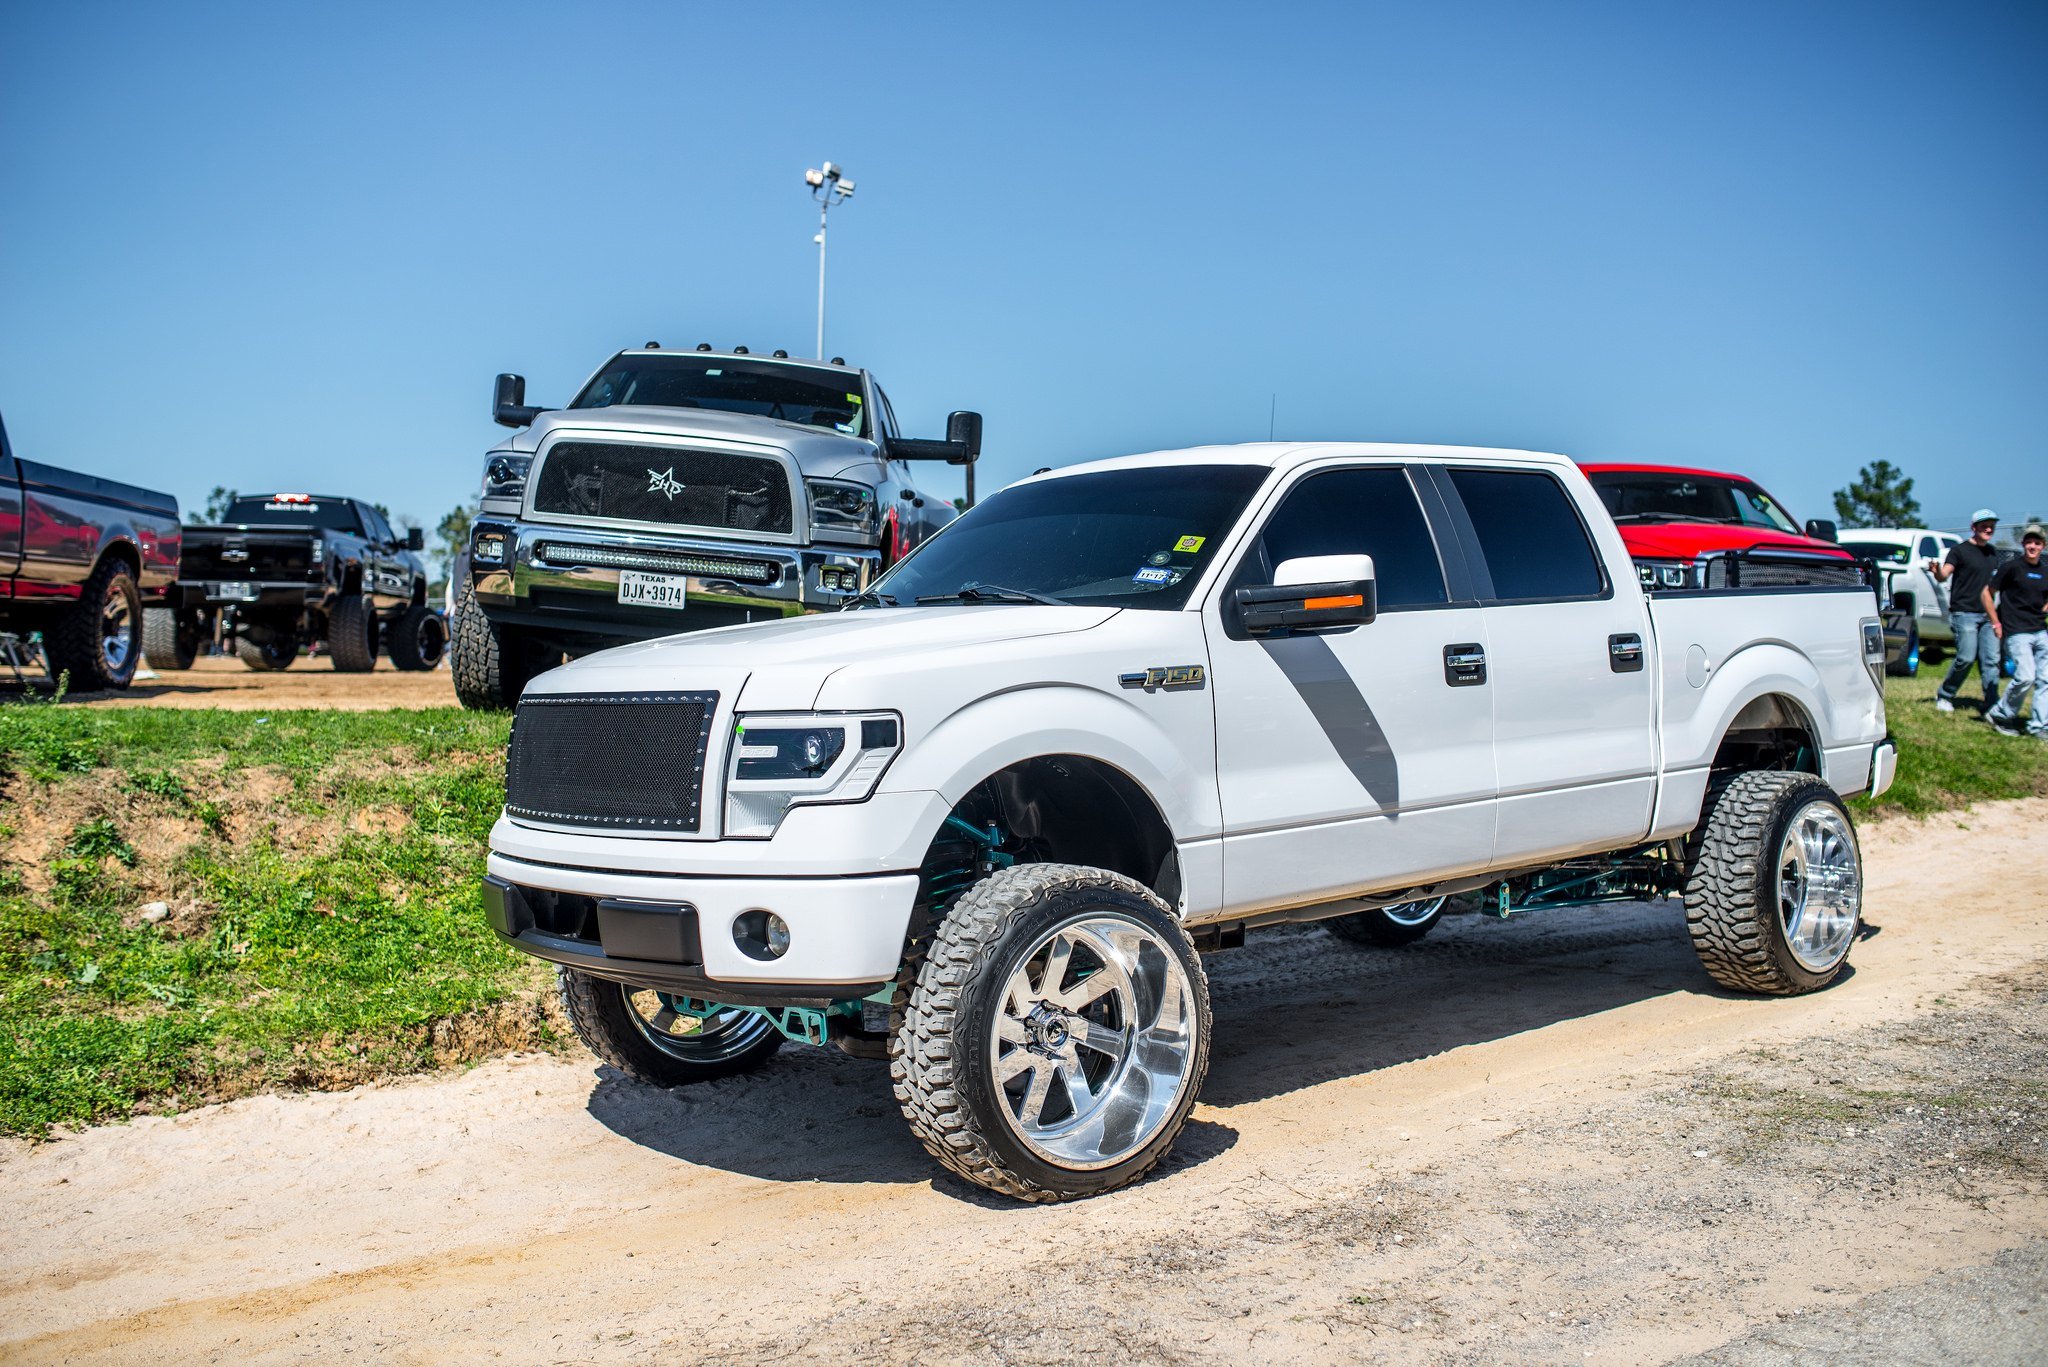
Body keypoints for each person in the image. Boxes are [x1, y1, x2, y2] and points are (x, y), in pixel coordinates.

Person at [1928, 509, 2005, 714]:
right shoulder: (1959, 551)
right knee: (1966, 657)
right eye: (1983, 525)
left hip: (1988, 615)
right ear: (1974, 527)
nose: (1988, 529)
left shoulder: (1992, 553)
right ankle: (1945, 695)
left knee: (1991, 661)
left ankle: (1991, 702)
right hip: (1964, 613)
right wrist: (1936, 571)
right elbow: (1943, 575)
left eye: (1991, 525)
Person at [1984, 522, 2048, 739]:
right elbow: (1987, 593)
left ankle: (2039, 726)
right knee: (2025, 677)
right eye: (2029, 541)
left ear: (2043, 546)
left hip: (2040, 630)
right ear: (2023, 544)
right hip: (2017, 632)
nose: (2032, 546)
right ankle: (2000, 714)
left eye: (2037, 542)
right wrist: (1996, 622)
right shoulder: (2011, 568)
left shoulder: (2044, 571)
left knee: (2045, 680)